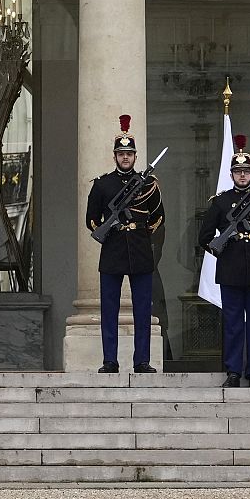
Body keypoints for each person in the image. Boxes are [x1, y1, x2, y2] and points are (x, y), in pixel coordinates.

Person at [196, 136, 250, 387]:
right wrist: (222, 250)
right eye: (238, 171)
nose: (242, 176)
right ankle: (233, 371)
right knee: (233, 324)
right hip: (230, 270)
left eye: (246, 172)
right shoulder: (221, 202)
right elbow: (205, 237)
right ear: (232, 174)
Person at [84, 116, 166, 375]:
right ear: (115, 156)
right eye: (121, 153)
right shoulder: (102, 184)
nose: (126, 158)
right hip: (113, 250)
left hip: (140, 250)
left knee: (143, 309)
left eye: (129, 154)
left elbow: (158, 216)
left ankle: (142, 360)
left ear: (135, 156)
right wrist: (111, 228)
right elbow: (91, 219)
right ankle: (110, 360)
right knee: (110, 309)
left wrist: (139, 231)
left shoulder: (148, 184)